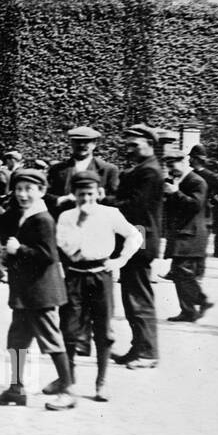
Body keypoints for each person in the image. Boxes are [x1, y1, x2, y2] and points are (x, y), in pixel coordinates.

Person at [0, 168, 75, 410]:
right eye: (18, 189)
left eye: (29, 190)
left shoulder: (43, 219)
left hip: (41, 293)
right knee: (17, 340)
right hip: (25, 293)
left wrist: (19, 250)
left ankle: (67, 389)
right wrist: (10, 254)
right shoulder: (22, 215)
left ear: (42, 191)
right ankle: (16, 389)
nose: (22, 195)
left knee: (51, 340)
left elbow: (48, 256)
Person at [55, 170, 142, 403]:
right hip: (75, 276)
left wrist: (121, 260)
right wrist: (80, 222)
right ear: (74, 194)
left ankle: (101, 383)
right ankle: (68, 380)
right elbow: (67, 249)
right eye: (81, 194)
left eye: (91, 194)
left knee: (104, 331)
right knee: (70, 329)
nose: (86, 199)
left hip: (101, 276)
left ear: (99, 193)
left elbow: (135, 235)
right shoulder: (66, 217)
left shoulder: (110, 214)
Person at [112, 124, 166, 370]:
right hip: (136, 237)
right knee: (131, 296)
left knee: (139, 297)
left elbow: (135, 206)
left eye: (135, 145)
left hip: (140, 239)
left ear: (149, 143)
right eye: (128, 145)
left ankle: (147, 353)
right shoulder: (143, 169)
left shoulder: (150, 172)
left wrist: (103, 201)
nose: (130, 149)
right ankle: (138, 348)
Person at [163, 147, 213, 323]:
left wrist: (175, 192)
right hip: (181, 234)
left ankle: (201, 300)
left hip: (191, 234)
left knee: (182, 271)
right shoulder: (176, 181)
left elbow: (195, 205)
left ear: (184, 162)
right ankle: (188, 311)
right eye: (168, 165)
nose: (171, 168)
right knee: (179, 273)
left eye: (174, 164)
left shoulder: (196, 181)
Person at [48, 126, 120, 210]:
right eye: (77, 141)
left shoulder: (108, 169)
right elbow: (44, 194)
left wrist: (103, 199)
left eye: (86, 142)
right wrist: (60, 199)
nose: (81, 145)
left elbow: (116, 198)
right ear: (71, 143)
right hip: (64, 216)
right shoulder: (57, 169)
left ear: (94, 144)